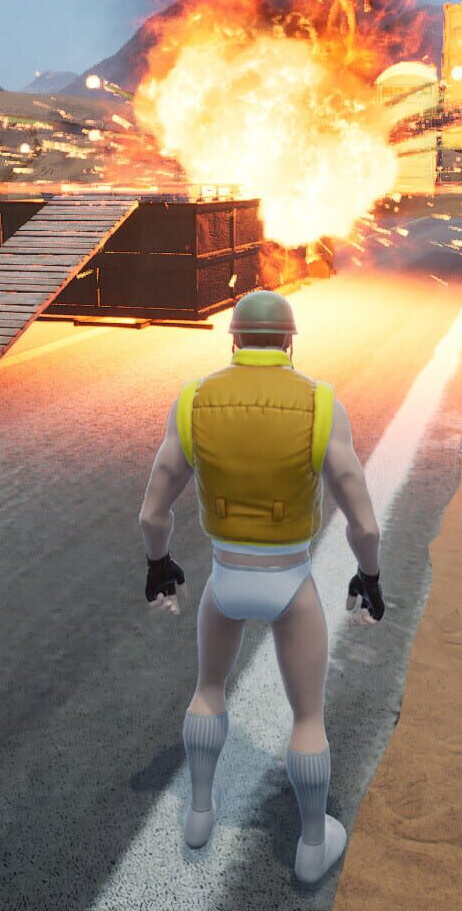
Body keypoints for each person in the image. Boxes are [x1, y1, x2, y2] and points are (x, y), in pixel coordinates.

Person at [137, 289, 385, 885]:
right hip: (290, 579)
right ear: (290, 341)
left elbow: (152, 513)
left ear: (234, 339)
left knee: (208, 689)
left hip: (225, 576)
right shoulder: (321, 404)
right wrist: (369, 575)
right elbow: (364, 523)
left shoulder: (194, 401)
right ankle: (311, 844)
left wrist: (158, 564)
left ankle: (199, 813)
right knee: (308, 716)